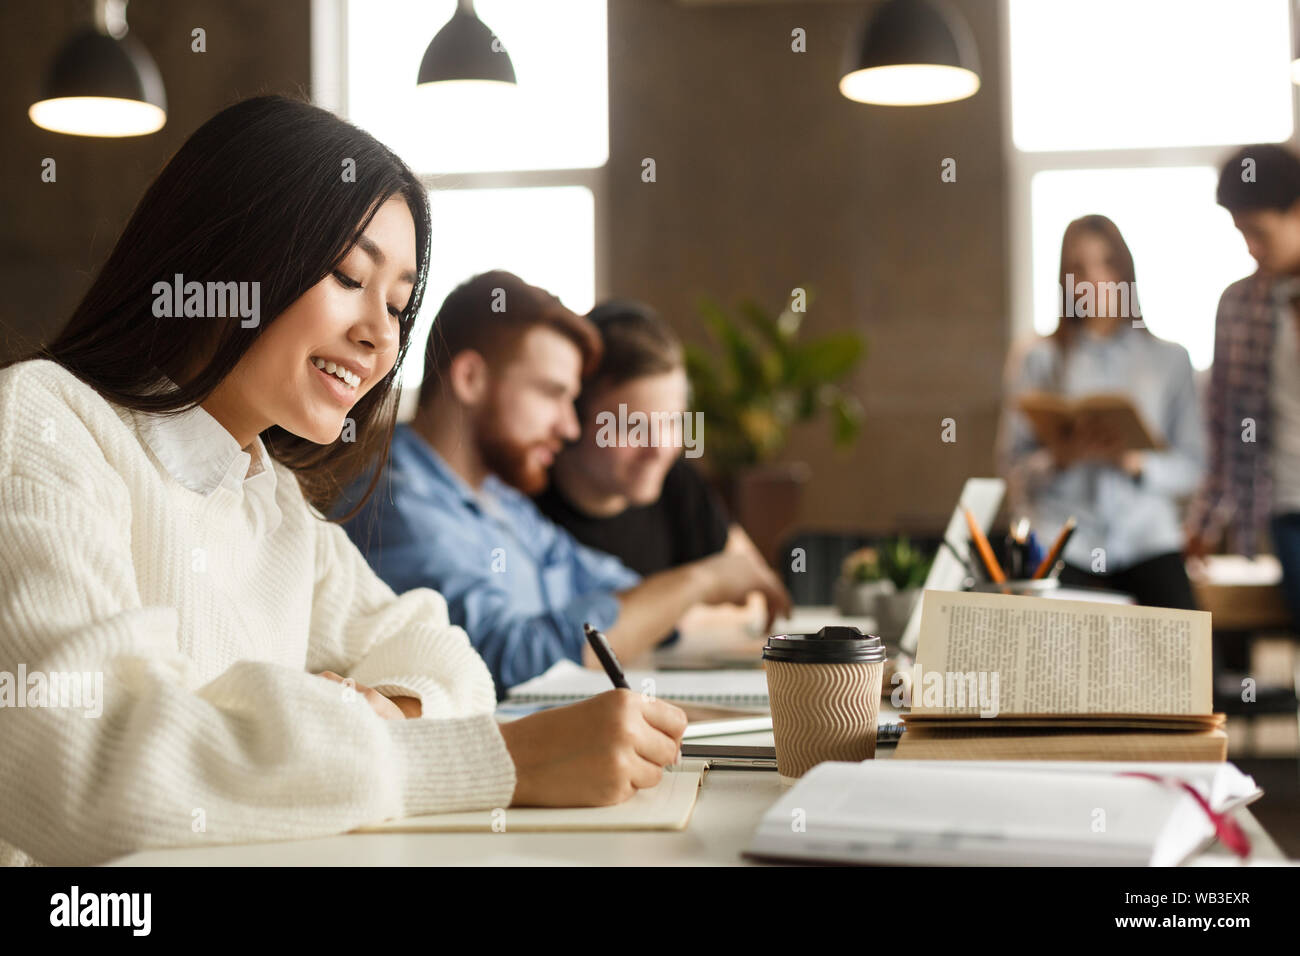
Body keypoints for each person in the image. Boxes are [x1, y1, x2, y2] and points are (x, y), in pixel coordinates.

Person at [0, 96, 687, 867]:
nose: (380, 335)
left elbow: (446, 655)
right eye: (346, 275)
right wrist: (496, 761)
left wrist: (381, 712)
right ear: (226, 253)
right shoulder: (43, 421)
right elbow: (89, 765)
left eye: (398, 303)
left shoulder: (272, 500)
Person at [338, 272, 790, 697]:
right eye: (552, 394)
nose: (570, 427)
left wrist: (678, 597)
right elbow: (505, 662)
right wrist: (700, 580)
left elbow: (607, 586)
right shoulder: (396, 503)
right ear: (471, 378)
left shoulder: (499, 498)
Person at [997, 214, 1204, 608]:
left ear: (1125, 271)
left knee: (1190, 653)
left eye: (1105, 263)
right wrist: (1060, 459)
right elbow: (1011, 465)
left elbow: (1193, 467)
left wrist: (1136, 463)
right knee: (1036, 637)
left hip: (1145, 538)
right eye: (1079, 267)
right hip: (1064, 534)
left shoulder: (1170, 360)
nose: (1093, 279)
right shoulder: (1036, 359)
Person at [534, 299, 752, 577]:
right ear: (572, 416)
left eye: (673, 421)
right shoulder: (523, 507)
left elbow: (756, 593)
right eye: (633, 428)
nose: (659, 450)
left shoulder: (679, 483)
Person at [1187, 144, 1300, 628]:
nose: (1252, 247)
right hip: (1286, 507)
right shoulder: (1237, 304)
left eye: (1260, 232)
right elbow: (1225, 427)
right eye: (1241, 233)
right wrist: (1205, 521)